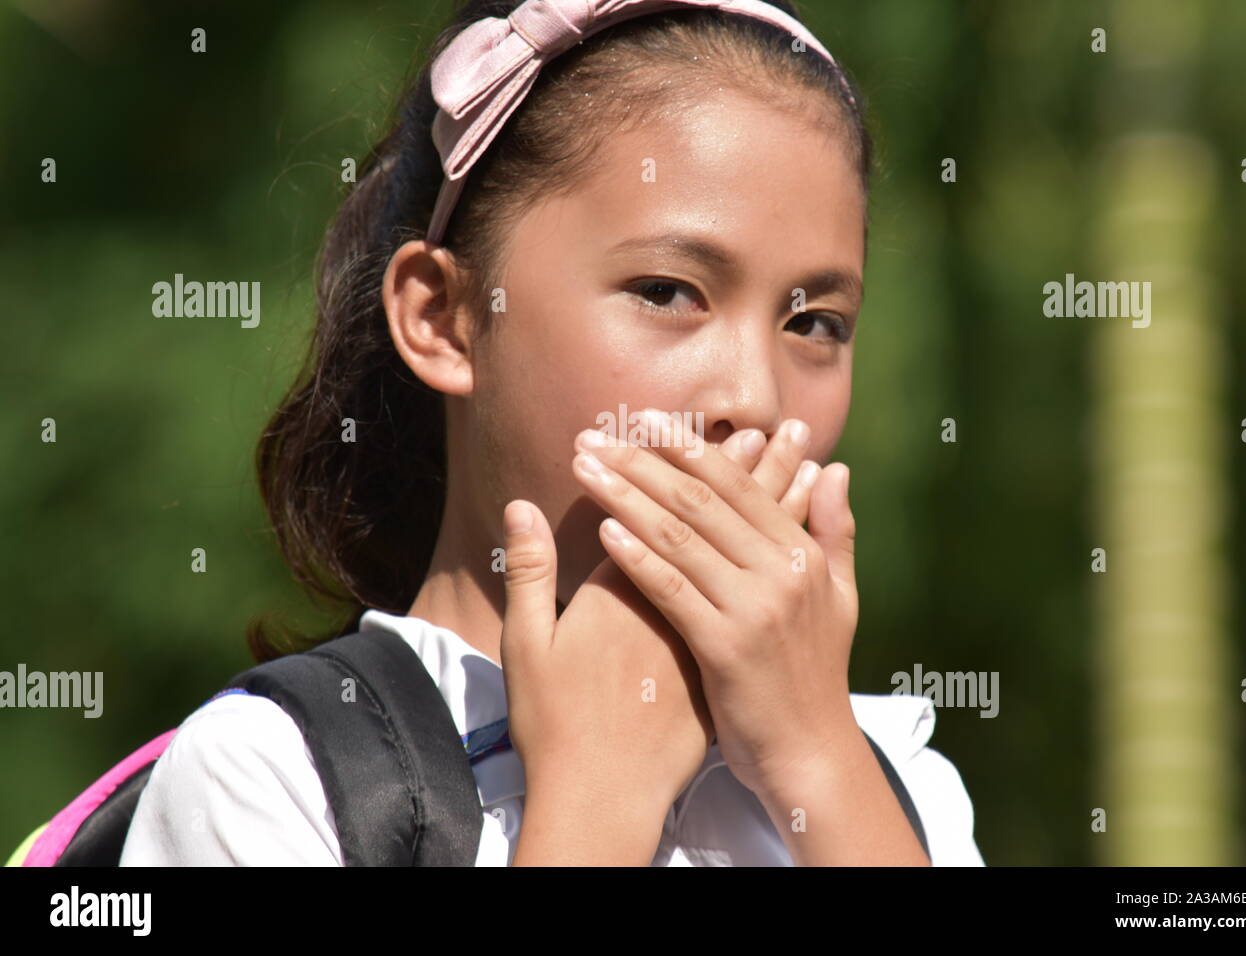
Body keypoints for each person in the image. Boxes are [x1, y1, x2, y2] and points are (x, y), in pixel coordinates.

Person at [120, 0, 985, 866]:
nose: (756, 399)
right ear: (444, 317)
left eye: (816, 323)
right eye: (666, 292)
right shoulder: (276, 777)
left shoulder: (900, 785)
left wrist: (817, 763)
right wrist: (599, 799)